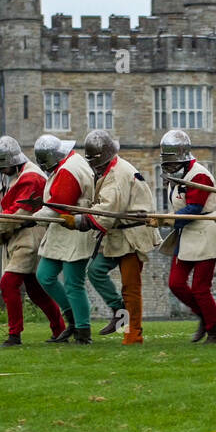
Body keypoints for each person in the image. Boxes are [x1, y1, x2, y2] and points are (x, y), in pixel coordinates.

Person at [0, 136, 67, 347]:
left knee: (8, 284)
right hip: (18, 237)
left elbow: (15, 217)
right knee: (36, 290)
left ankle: (15, 335)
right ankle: (60, 329)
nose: (3, 172)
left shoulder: (31, 178)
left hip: (30, 236)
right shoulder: (14, 175)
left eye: (5, 167)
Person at [68, 130, 160, 345]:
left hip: (132, 234)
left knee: (131, 287)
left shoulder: (118, 174)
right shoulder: (108, 171)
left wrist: (80, 221)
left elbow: (108, 211)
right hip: (117, 234)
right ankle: (120, 311)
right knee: (96, 271)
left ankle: (133, 333)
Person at [159, 130, 216, 344]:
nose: (170, 168)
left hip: (206, 232)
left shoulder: (200, 175)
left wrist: (165, 220)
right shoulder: (177, 175)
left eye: (172, 164)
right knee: (176, 283)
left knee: (200, 288)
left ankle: (214, 331)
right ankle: (203, 317)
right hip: (186, 234)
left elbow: (194, 209)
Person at [31, 134, 97, 345]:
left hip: (75, 229)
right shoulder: (67, 163)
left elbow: (58, 207)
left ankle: (83, 331)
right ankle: (72, 320)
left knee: (73, 283)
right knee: (45, 275)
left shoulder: (69, 170)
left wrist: (32, 219)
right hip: (61, 230)